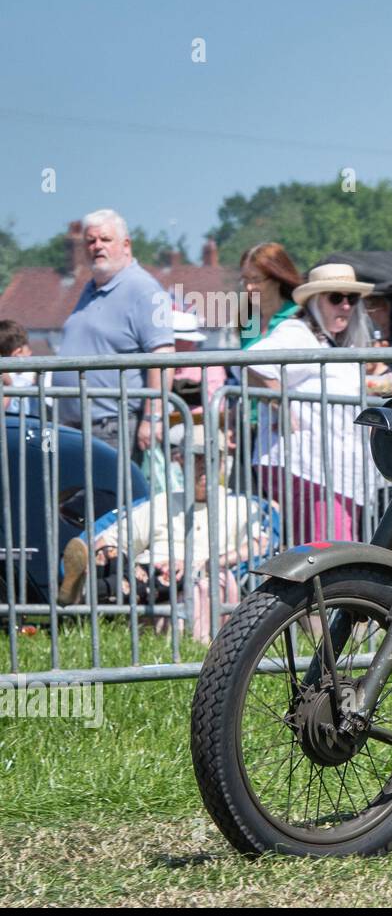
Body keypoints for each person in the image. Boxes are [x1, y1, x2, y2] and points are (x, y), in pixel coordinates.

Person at [57, 426, 265, 641]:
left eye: (212, 458)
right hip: (146, 568)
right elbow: (114, 538)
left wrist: (208, 562)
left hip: (192, 575)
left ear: (222, 463)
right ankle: (80, 586)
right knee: (111, 556)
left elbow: (260, 544)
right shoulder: (161, 502)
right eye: (197, 457)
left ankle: (78, 599)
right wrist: (98, 553)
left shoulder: (240, 506)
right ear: (181, 461)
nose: (204, 465)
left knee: (181, 581)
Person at [246, 263, 376, 544]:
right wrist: (280, 403)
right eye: (335, 298)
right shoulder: (298, 332)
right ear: (317, 300)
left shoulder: (334, 342)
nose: (345, 306)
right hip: (310, 467)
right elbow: (251, 364)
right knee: (329, 552)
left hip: (334, 470)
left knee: (336, 549)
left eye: (351, 299)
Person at [52, 209, 174, 459]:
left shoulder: (144, 289)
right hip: (75, 428)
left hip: (113, 428)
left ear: (126, 244)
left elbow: (162, 356)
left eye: (105, 239)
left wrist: (153, 417)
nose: (97, 246)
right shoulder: (91, 288)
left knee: (109, 498)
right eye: (90, 241)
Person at [238, 243, 304, 349]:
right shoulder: (248, 323)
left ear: (276, 279)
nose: (249, 287)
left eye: (256, 279)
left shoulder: (300, 316)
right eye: (245, 279)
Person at [0, 321, 37, 416]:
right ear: (18, 353)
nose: (31, 353)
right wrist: (8, 384)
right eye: (28, 350)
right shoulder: (7, 379)